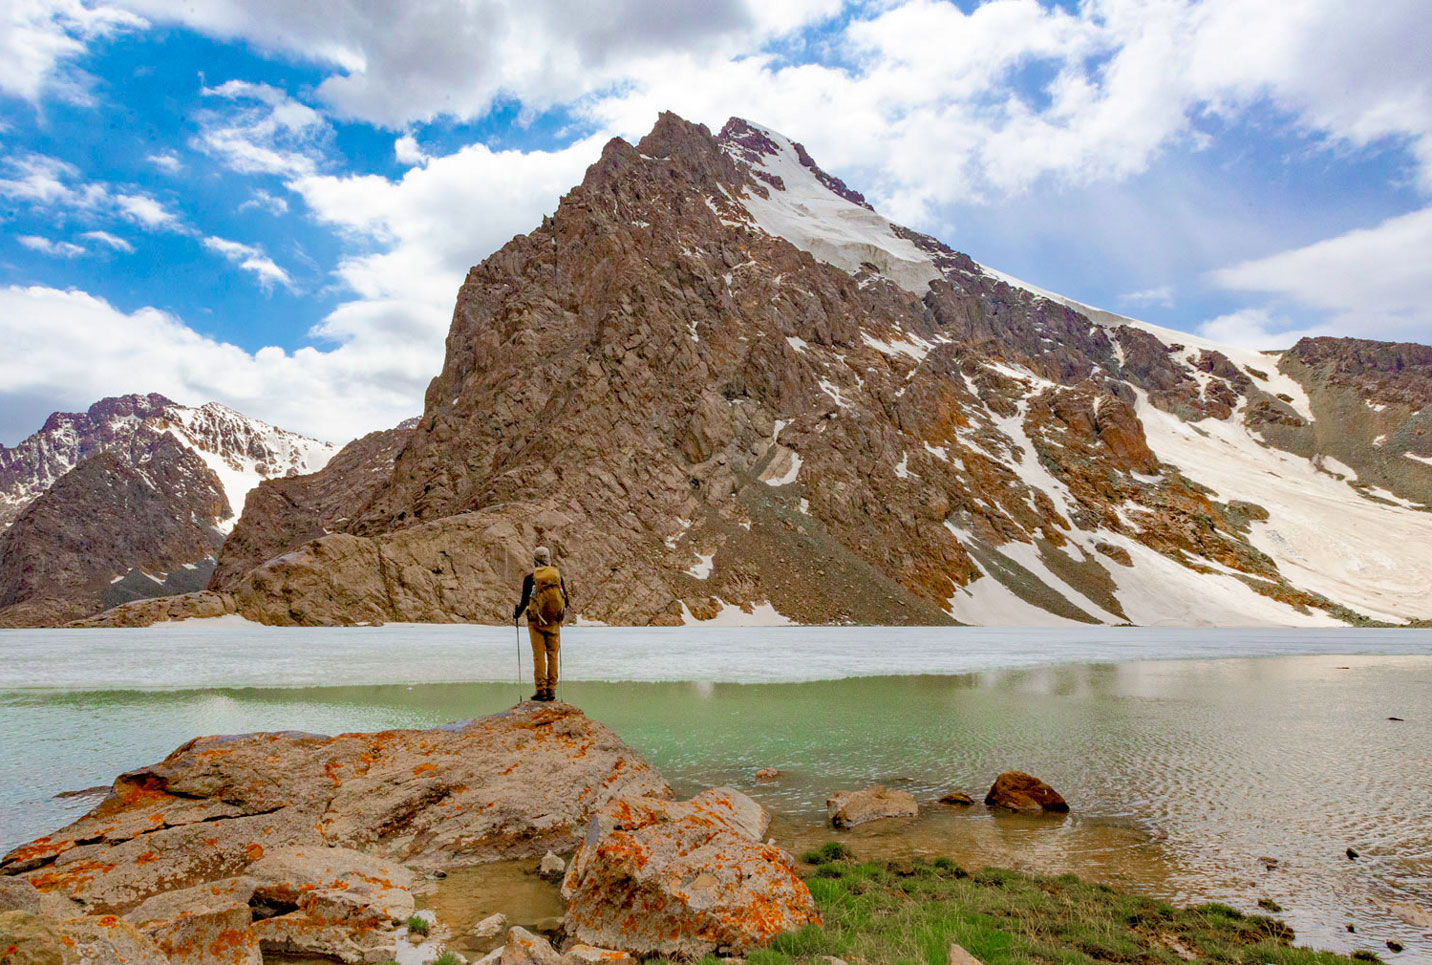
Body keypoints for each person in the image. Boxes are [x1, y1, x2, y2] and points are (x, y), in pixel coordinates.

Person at [512, 546, 569, 702]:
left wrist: (516, 614)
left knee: (539, 656)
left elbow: (524, 602)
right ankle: (551, 690)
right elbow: (566, 601)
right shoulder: (557, 577)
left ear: (535, 560)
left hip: (535, 622)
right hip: (553, 623)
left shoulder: (530, 578)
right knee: (552, 655)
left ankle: (541, 690)